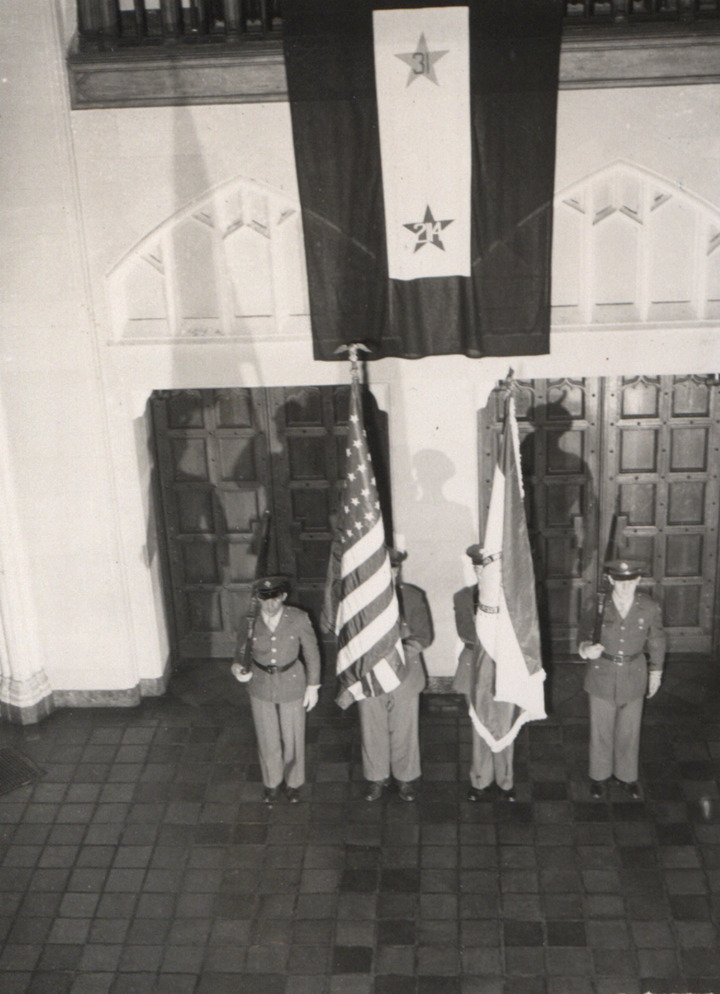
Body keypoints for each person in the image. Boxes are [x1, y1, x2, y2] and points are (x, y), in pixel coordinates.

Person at [577, 558, 666, 800]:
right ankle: (599, 776)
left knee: (629, 729)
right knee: (601, 728)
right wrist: (585, 649)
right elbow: (582, 635)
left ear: (638, 580)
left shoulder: (648, 607)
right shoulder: (596, 604)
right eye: (619, 581)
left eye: (631, 581)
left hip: (634, 672)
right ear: (610, 579)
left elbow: (656, 640)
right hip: (602, 672)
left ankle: (626, 776)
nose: (625, 587)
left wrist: (656, 672)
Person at [231, 576, 321, 804]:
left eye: (275, 599)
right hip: (261, 682)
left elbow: (312, 653)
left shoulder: (298, 618)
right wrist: (238, 669)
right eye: (264, 599)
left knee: (293, 735)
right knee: (266, 735)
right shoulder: (249, 621)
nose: (270, 605)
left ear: (283, 597)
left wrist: (313, 686)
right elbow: (241, 653)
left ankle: (293, 783)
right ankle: (272, 782)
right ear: (257, 598)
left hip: (291, 680)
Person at [359, 548, 433, 802]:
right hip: (370, 673)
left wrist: (397, 654)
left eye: (392, 568)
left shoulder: (412, 597)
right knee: (372, 727)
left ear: (397, 570)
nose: (388, 574)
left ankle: (405, 778)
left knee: (404, 728)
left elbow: (424, 636)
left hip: (405, 673)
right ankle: (376, 778)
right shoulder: (360, 600)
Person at [453, 544, 517, 802]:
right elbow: (466, 633)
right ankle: (480, 780)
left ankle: (506, 781)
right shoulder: (462, 597)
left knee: (505, 725)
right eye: (479, 569)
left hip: (505, 667)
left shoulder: (513, 600)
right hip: (474, 666)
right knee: (479, 725)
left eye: (489, 569)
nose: (483, 573)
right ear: (475, 570)